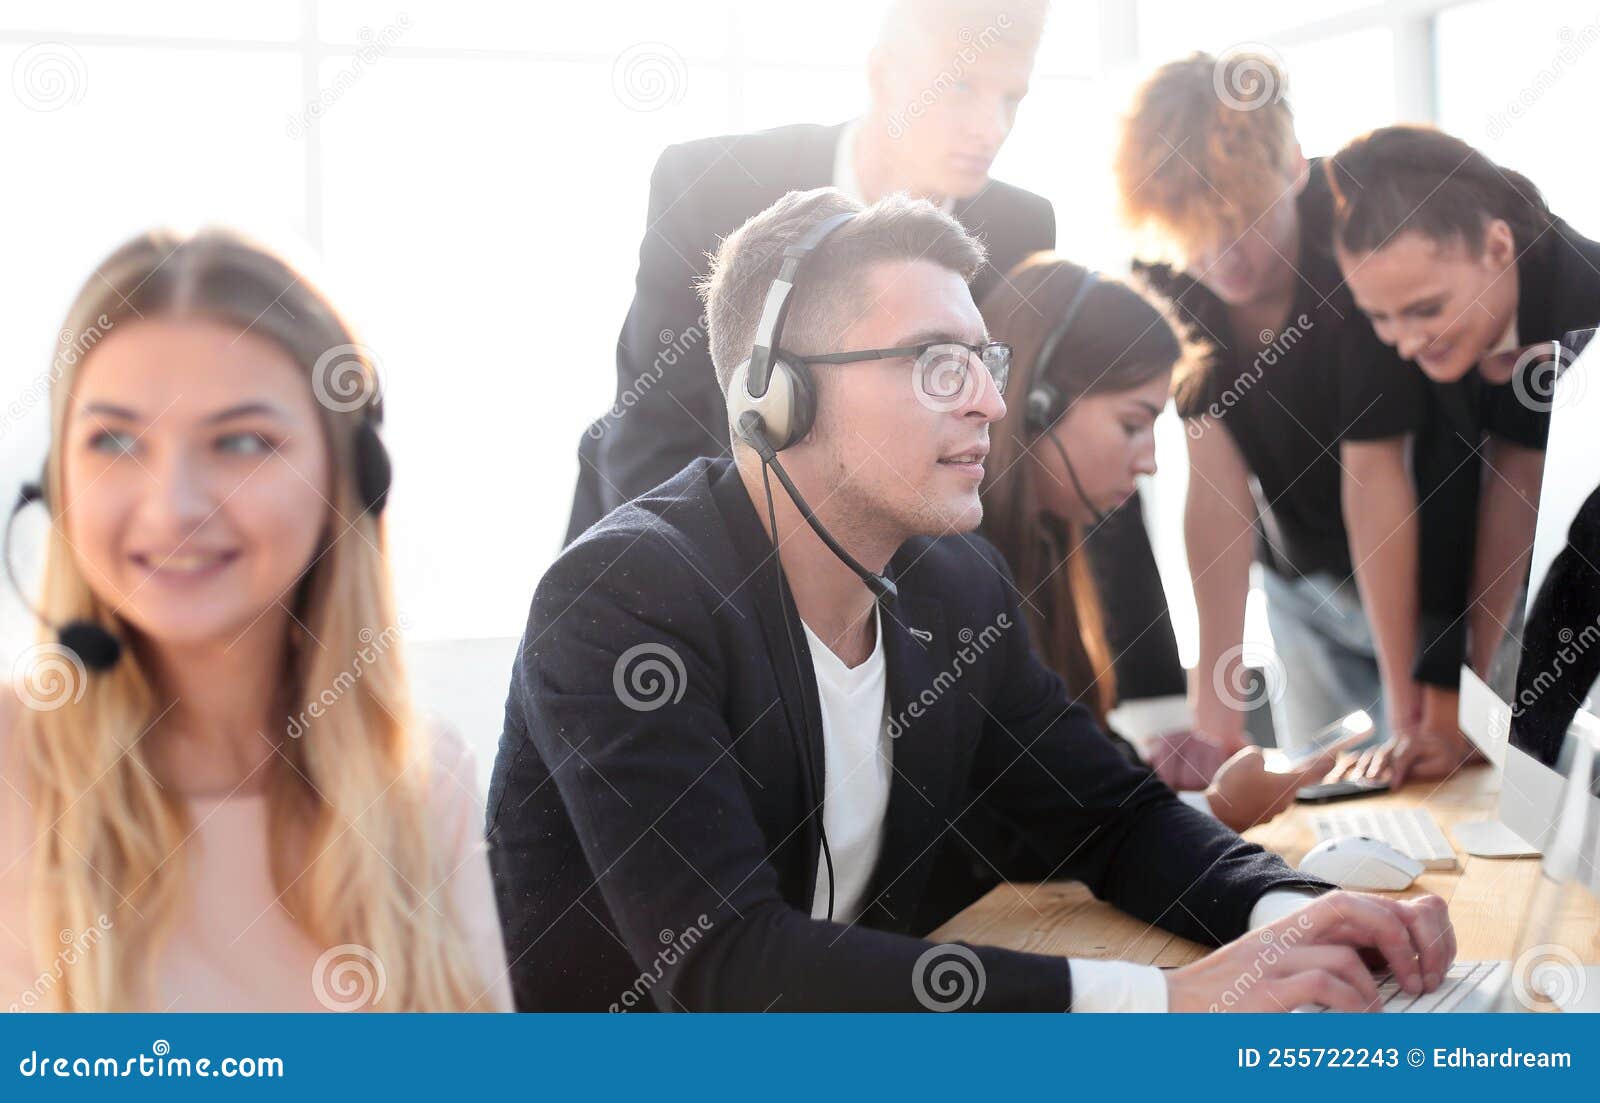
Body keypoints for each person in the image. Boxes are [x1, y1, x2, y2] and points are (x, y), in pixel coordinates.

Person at [488, 187, 1456, 1013]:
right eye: (937, 361)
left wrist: (1291, 918)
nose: (990, 403)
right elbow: (732, 966)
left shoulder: (950, 584)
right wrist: (1170, 998)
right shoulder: (624, 597)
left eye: (985, 364)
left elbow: (1110, 813)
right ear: (777, 394)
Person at [0, 229, 510, 1012]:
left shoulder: (422, 781)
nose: (172, 506)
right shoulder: (15, 765)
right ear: (56, 479)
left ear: (350, 478)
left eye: (240, 441)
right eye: (116, 439)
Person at [568, 0, 1056, 541]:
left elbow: (1000, 448)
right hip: (690, 548)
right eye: (961, 88)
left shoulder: (1021, 229)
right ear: (882, 74)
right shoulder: (714, 186)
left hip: (904, 572)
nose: (992, 128)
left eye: (1012, 97)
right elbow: (657, 421)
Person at [1114, 51, 1428, 759]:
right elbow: (1217, 489)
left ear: (1290, 170)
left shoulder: (1352, 237)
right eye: (1196, 231)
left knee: (1434, 771)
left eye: (1242, 221)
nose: (1221, 256)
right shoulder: (1170, 269)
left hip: (1424, 577)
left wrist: (1410, 711)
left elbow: (1375, 478)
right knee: (1330, 800)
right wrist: (1215, 730)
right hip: (1301, 589)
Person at [977, 254, 1352, 831]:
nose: (1150, 462)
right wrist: (1213, 812)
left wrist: (1143, 773)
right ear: (1037, 405)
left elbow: (1053, 770)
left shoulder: (1044, 552)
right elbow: (1007, 830)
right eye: (1132, 425)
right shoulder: (957, 577)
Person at [1327, 125, 1600, 785]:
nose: (1405, 342)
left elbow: (1542, 514)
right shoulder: (1397, 313)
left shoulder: (1586, 299)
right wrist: (1433, 714)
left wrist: (1500, 716)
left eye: (1425, 311)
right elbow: (1410, 489)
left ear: (1497, 246)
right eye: (1382, 318)